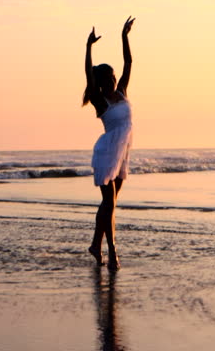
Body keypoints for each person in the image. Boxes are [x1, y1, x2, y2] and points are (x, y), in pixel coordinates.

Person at [83, 16, 135, 270]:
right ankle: (112, 252)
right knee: (109, 203)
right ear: (102, 82)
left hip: (122, 154)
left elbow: (129, 62)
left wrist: (124, 36)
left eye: (114, 76)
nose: (114, 80)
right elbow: (88, 76)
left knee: (109, 206)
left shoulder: (122, 92)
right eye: (110, 78)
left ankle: (95, 244)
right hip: (106, 154)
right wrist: (88, 48)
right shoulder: (100, 100)